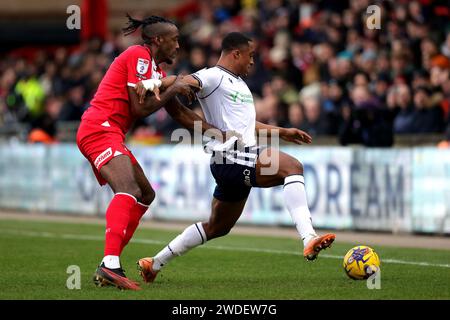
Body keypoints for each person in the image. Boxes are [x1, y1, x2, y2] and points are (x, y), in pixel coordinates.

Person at [135, 32, 336, 284]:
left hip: (236, 158)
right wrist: (154, 83)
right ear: (236, 53)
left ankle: (154, 263)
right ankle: (309, 237)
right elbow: (185, 81)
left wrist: (282, 132)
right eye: (250, 56)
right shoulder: (214, 76)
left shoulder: (240, 85)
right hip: (230, 156)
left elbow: (248, 127)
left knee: (217, 227)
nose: (253, 62)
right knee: (292, 167)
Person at [76, 15, 222, 290]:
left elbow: (179, 113)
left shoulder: (154, 73)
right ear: (158, 40)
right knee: (128, 189)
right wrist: (173, 86)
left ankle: (110, 263)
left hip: (110, 133)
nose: (178, 46)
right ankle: (110, 264)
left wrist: (220, 134)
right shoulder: (138, 55)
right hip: (98, 128)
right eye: (174, 40)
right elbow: (139, 109)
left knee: (145, 193)